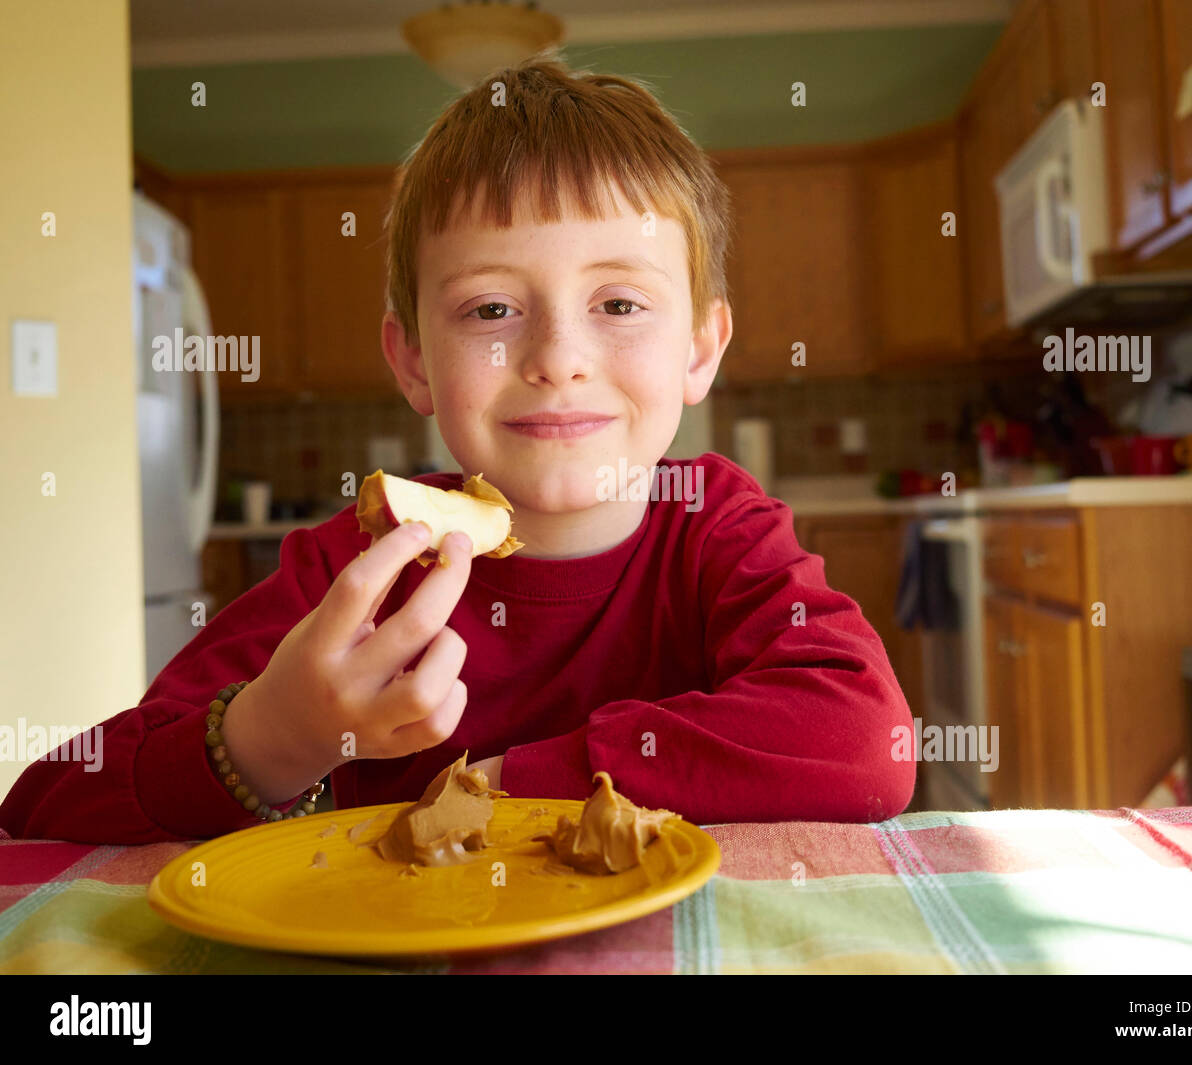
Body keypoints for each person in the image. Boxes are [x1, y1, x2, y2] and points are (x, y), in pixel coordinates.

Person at [0, 55, 914, 843]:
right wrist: (274, 737)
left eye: (620, 304)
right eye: (490, 309)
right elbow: (41, 806)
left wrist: (500, 787)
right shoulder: (357, 572)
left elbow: (868, 739)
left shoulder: (716, 528)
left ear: (701, 348)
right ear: (413, 362)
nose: (557, 358)